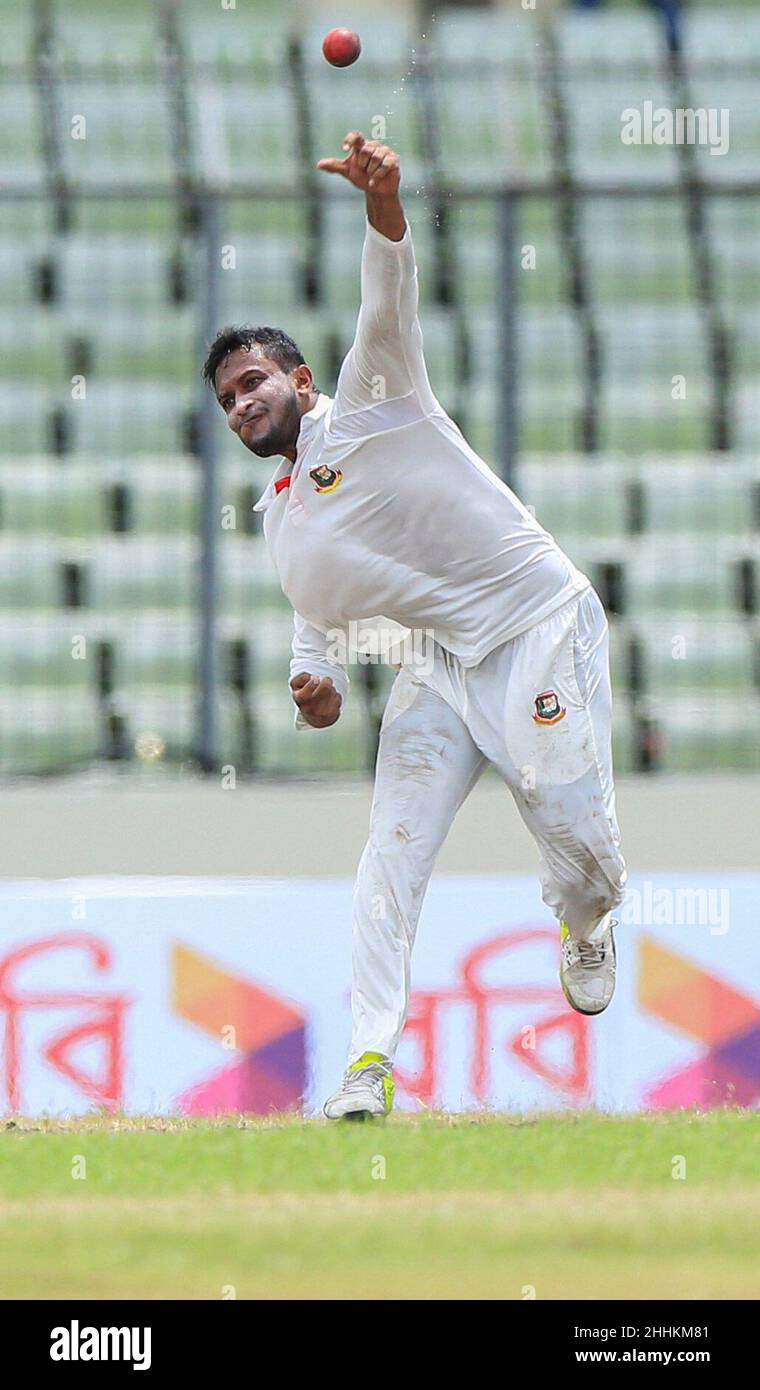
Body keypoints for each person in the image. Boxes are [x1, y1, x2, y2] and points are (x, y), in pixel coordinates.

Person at [202, 131, 627, 1120]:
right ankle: (368, 1062)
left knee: (578, 842)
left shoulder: (376, 400)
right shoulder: (285, 531)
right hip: (438, 665)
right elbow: (320, 658)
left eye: (254, 382)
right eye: (227, 400)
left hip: (538, 622)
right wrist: (315, 695)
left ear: (301, 381)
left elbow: (385, 290)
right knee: (389, 849)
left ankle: (585, 919)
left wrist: (383, 202)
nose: (241, 403)